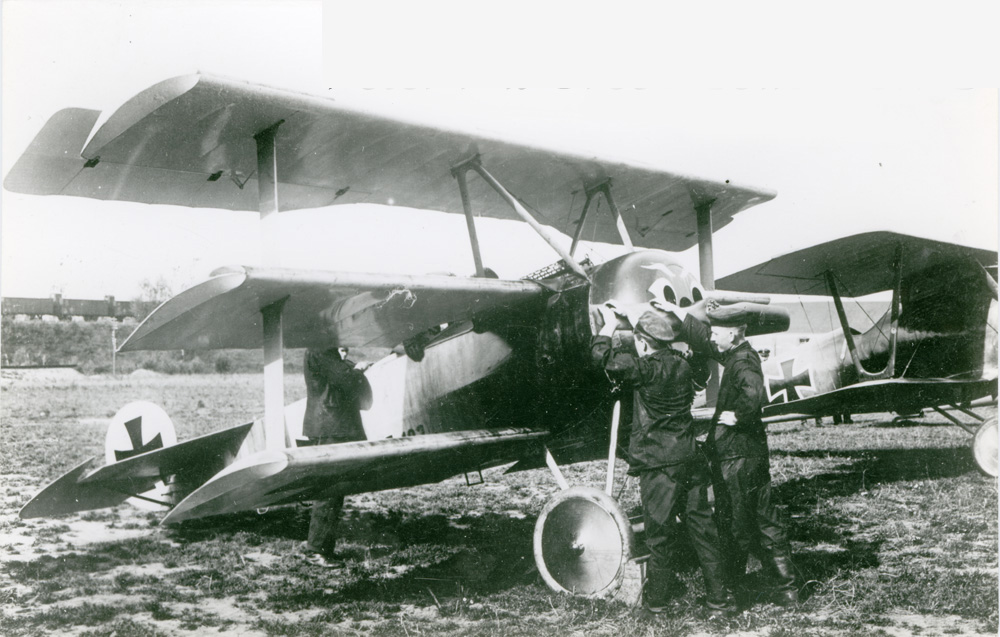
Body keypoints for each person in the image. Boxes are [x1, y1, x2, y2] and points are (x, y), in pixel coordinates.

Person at [591, 302, 736, 618]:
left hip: (659, 464)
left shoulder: (644, 369)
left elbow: (601, 356)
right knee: (703, 529)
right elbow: (699, 353)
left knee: (659, 536)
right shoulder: (683, 366)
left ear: (642, 342)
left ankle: (657, 605)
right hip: (689, 458)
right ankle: (719, 602)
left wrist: (609, 324)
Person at [662, 299, 800, 607]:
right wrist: (677, 315)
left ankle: (732, 594)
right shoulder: (740, 354)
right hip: (751, 453)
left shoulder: (743, 362)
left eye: (717, 332)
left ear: (734, 334)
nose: (711, 337)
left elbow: (753, 394)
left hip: (736, 457)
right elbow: (707, 344)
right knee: (764, 517)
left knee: (733, 522)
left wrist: (738, 416)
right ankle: (787, 589)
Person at [301, 345, 372, 563]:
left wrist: (349, 366)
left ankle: (321, 548)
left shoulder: (320, 350)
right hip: (332, 425)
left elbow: (339, 374)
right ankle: (317, 550)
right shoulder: (321, 350)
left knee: (332, 489)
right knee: (330, 488)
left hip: (330, 425)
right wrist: (357, 370)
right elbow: (345, 379)